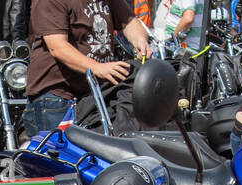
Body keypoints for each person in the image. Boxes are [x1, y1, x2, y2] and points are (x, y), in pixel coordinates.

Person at [23, 0, 152, 135]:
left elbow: (129, 22)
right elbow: (57, 46)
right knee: (60, 153)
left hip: (95, 94)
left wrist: (140, 40)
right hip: (58, 97)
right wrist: (96, 67)